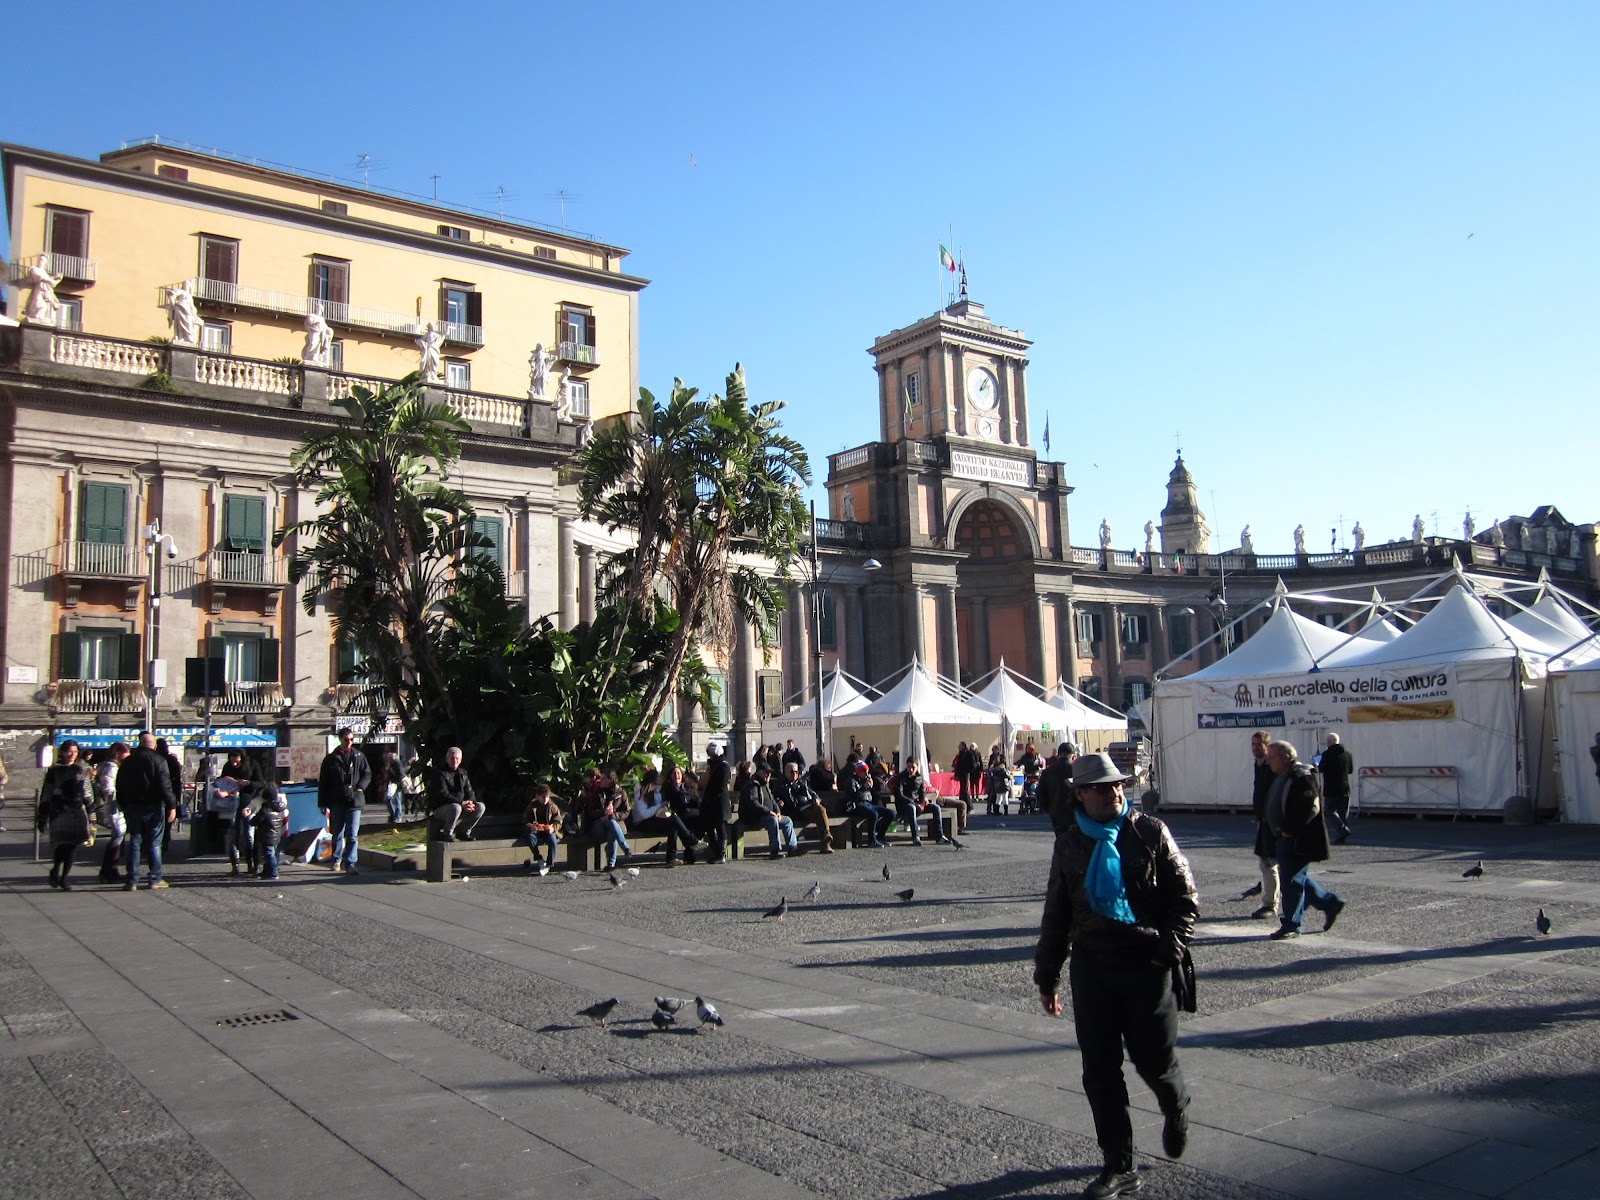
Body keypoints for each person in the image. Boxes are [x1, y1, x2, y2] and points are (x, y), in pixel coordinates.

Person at [1034, 752, 1197, 1197]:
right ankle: (1118, 1164)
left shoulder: (1149, 832)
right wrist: (1047, 977)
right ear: (1080, 794)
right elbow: (1057, 914)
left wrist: (1167, 952)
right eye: (1103, 787)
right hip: (1093, 967)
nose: (1115, 792)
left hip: (1147, 964)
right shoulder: (1068, 844)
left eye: (1118, 785)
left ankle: (1176, 1104)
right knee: (1100, 1070)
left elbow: (1186, 900)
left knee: (1153, 1061)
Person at [1263, 739, 1344, 940]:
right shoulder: (1283, 775)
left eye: (1271, 758)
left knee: (1290, 880)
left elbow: (1311, 808)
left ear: (1285, 757)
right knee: (1295, 877)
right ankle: (1329, 902)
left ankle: (1291, 924)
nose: (1268, 762)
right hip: (1283, 836)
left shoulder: (1301, 776)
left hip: (1296, 839)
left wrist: (1289, 830)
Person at [117, 731, 177, 890]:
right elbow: (165, 785)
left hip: (133, 806)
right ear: (154, 745)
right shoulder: (159, 760)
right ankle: (155, 878)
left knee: (134, 842)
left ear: (139, 743)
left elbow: (120, 785)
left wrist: (124, 805)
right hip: (154, 805)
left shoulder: (128, 761)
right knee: (154, 843)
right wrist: (171, 805)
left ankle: (132, 880)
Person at [38, 740, 95, 890]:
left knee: (74, 844)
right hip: (59, 810)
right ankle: (56, 868)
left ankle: (64, 878)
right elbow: (46, 794)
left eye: (75, 752)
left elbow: (87, 793)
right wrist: (42, 816)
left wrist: (91, 814)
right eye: (69, 751)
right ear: (62, 752)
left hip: (77, 810)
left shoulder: (81, 770)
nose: (72, 754)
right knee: (61, 843)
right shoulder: (54, 771)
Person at [320, 728, 372, 873]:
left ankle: (351, 863)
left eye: (351, 740)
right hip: (337, 800)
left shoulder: (358, 756)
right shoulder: (331, 759)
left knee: (352, 834)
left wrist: (361, 787)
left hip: (355, 800)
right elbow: (324, 781)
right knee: (337, 832)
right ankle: (336, 860)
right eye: (346, 740)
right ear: (340, 739)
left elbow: (367, 774)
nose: (349, 742)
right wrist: (322, 802)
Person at [629, 766, 701, 865]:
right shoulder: (641, 794)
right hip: (642, 823)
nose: (660, 779)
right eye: (658, 778)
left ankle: (671, 858)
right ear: (653, 780)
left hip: (654, 819)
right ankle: (691, 841)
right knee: (674, 819)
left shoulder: (657, 791)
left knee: (673, 824)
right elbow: (644, 815)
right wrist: (660, 806)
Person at [1248, 731, 1279, 921]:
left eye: (1259, 744)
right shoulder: (1259, 764)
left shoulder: (1271, 766)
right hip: (1263, 819)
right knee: (1274, 862)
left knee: (1269, 862)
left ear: (1267, 746)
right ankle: (1321, 899)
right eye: (1253, 744)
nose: (1255, 748)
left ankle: (1270, 904)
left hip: (1271, 821)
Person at [221, 749, 265, 876]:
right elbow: (222, 782)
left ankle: (251, 863)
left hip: (248, 803)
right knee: (232, 834)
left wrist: (248, 783)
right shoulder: (227, 767)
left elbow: (261, 783)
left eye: (237, 762)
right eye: (232, 761)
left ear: (242, 759)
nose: (234, 764)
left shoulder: (252, 764)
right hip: (231, 803)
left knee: (248, 834)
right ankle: (235, 864)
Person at [740, 762, 796, 859]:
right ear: (759, 773)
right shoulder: (753, 784)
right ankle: (775, 850)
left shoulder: (765, 784)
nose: (769, 775)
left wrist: (778, 812)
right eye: (766, 773)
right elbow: (753, 803)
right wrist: (769, 812)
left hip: (769, 814)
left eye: (770, 773)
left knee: (787, 821)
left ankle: (793, 847)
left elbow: (772, 800)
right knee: (772, 821)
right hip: (754, 816)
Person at [93, 741, 131, 882]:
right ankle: (108, 870)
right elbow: (108, 787)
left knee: (117, 837)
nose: (128, 755)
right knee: (118, 836)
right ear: (118, 753)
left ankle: (110, 869)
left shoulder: (108, 765)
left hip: (113, 803)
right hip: (114, 804)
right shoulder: (111, 767)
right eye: (126, 752)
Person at [429, 746, 484, 842]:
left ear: (460, 760)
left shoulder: (463, 773)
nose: (454, 761)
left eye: (457, 758)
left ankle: (464, 831)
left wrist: (470, 802)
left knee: (480, 807)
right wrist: (462, 803)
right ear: (447, 759)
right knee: (455, 807)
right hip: (443, 808)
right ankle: (447, 834)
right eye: (452, 758)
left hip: (461, 806)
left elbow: (470, 791)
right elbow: (443, 794)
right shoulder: (440, 773)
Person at [778, 761, 834, 853]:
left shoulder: (802, 783)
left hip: (809, 807)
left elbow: (812, 793)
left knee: (820, 809)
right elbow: (784, 800)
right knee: (820, 811)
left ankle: (826, 840)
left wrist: (816, 798)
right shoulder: (782, 785)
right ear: (786, 772)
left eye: (796, 772)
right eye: (792, 772)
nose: (794, 774)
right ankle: (826, 839)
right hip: (796, 811)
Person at [583, 769, 631, 869]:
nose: (601, 781)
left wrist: (612, 815)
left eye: (604, 779)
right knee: (611, 825)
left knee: (611, 828)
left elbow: (626, 812)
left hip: (617, 822)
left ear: (610, 780)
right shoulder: (598, 793)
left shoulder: (621, 793)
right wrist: (602, 812)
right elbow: (590, 811)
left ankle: (610, 864)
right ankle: (624, 848)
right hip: (599, 823)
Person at [893, 759, 948, 845]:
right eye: (908, 767)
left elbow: (922, 792)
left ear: (917, 767)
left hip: (917, 804)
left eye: (913, 767)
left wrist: (923, 801)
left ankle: (939, 836)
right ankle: (916, 837)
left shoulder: (919, 778)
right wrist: (915, 803)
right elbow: (899, 795)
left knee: (936, 808)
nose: (911, 769)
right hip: (904, 806)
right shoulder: (900, 777)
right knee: (912, 808)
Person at [843, 760, 891, 847]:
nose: (866, 773)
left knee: (891, 813)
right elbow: (853, 797)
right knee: (873, 814)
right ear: (858, 772)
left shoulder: (867, 779)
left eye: (867, 771)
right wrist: (864, 788)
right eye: (864, 771)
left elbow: (874, 794)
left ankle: (880, 837)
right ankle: (871, 840)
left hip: (868, 803)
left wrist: (872, 787)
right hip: (857, 805)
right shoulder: (852, 781)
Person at [1317, 733, 1354, 845]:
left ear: (1329, 742)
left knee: (1329, 811)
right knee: (1343, 813)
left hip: (1331, 788)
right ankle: (1341, 837)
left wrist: (1316, 765)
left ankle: (1343, 831)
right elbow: (1351, 770)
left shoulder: (1327, 754)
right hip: (1345, 787)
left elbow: (1321, 768)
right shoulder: (1348, 754)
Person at [698, 747, 733, 864]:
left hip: (719, 802)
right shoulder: (713, 765)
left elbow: (721, 785)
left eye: (712, 754)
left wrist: (712, 795)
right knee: (709, 827)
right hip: (711, 802)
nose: (710, 757)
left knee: (720, 828)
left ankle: (721, 854)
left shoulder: (724, 766)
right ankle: (716, 851)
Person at [523, 782, 563, 874]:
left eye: (547, 797)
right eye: (543, 797)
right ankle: (539, 858)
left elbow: (558, 821)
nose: (545, 799)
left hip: (548, 830)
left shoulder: (552, 806)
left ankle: (549, 864)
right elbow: (525, 821)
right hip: (536, 830)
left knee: (553, 841)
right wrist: (531, 827)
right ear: (537, 796)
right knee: (530, 838)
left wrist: (553, 828)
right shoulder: (532, 806)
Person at [1040, 742, 1078, 834]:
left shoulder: (1048, 772)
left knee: (1061, 839)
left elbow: (1041, 793)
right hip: (1074, 811)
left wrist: (1048, 809)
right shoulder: (1077, 770)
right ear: (1072, 756)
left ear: (1058, 755)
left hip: (1055, 811)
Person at [252, 785, 287, 879]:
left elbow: (255, 821)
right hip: (276, 834)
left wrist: (250, 820)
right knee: (272, 853)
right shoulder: (279, 808)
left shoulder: (264, 810)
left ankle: (274, 873)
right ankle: (266, 872)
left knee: (268, 854)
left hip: (266, 835)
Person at [985, 745, 1010, 815]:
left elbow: (990, 768)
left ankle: (995, 810)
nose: (993, 751)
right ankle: (1005, 811)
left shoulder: (994, 768)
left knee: (998, 797)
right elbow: (1007, 775)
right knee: (1004, 797)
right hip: (1003, 783)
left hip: (996, 781)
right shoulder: (1002, 769)